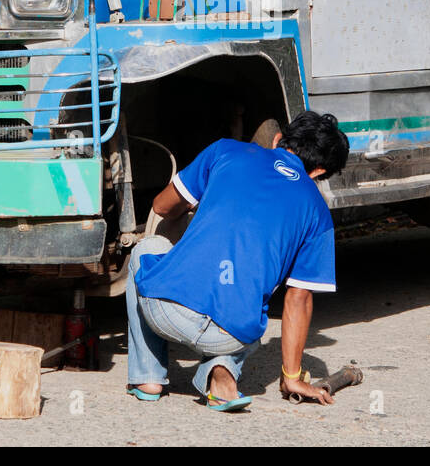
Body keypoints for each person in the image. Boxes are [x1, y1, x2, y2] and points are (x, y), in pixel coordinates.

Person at [124, 111, 350, 411]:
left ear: (278, 139)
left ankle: (148, 378)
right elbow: (299, 298)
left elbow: (162, 206)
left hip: (166, 313)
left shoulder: (225, 150)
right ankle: (222, 375)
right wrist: (292, 377)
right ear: (319, 172)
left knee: (147, 247)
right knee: (253, 305)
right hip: (230, 335)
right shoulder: (318, 214)